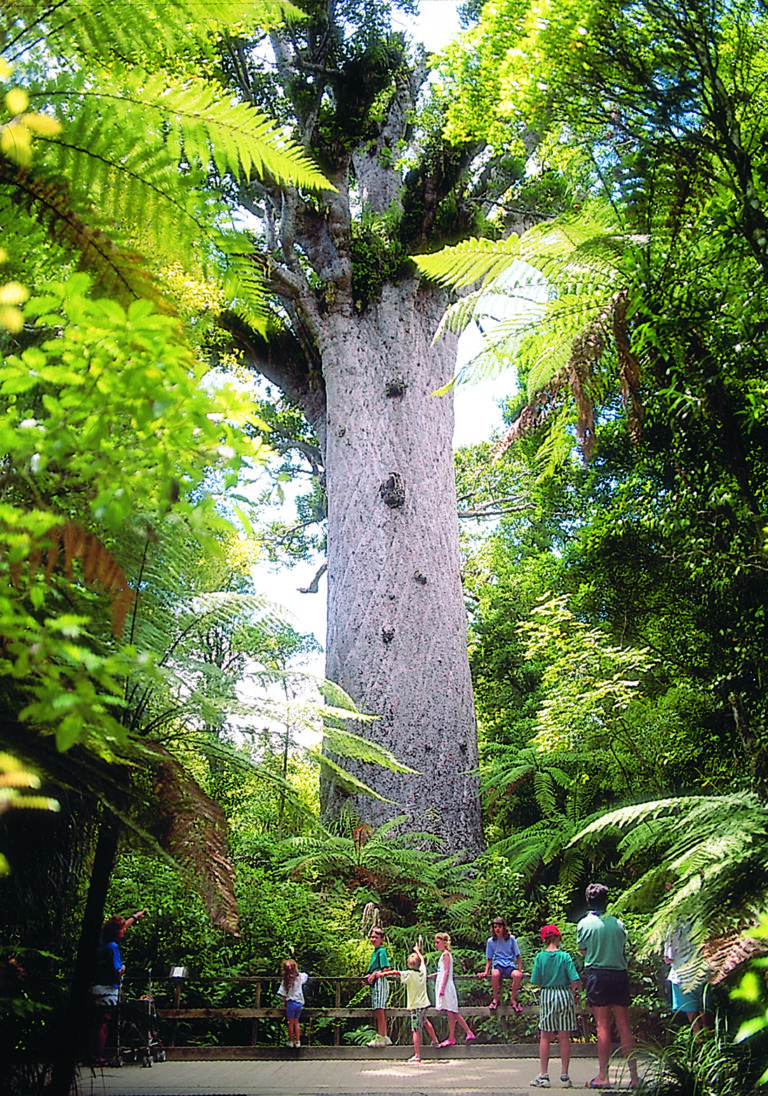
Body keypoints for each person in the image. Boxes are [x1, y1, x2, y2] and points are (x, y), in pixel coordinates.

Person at [577, 884, 639, 1089]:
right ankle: (634, 1077)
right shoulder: (618, 923)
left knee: (602, 1026)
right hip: (619, 975)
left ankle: (603, 1076)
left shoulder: (585, 924)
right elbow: (623, 949)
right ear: (607, 900)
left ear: (588, 901)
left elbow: (583, 950)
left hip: (598, 976)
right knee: (624, 1026)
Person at [88, 909, 146, 1066]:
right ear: (116, 932)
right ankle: (98, 1058)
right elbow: (115, 969)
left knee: (97, 1024)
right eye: (121, 929)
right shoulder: (112, 948)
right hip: (107, 989)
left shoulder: (102, 944)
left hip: (96, 987)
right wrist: (122, 969)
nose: (124, 931)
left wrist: (134, 917)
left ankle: (93, 1054)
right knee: (103, 1025)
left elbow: (123, 927)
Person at [529, 923, 581, 1089]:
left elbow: (536, 980)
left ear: (543, 940)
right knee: (564, 1036)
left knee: (546, 1035)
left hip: (548, 994)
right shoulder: (565, 957)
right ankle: (565, 1076)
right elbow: (574, 980)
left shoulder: (540, 957)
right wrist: (575, 994)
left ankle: (544, 1075)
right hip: (564, 994)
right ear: (558, 937)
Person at [384, 941, 440, 1062]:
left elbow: (396, 973)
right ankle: (435, 1041)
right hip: (425, 1004)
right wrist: (418, 951)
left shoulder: (409, 974)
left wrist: (382, 974)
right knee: (425, 1021)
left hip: (415, 1006)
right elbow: (423, 961)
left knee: (415, 1030)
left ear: (409, 965)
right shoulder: (423, 972)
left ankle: (417, 1055)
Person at [664, 919, 709, 1032]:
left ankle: (699, 1041)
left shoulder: (674, 926)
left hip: (681, 976)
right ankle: (711, 1039)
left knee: (692, 1013)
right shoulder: (703, 919)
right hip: (702, 972)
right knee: (704, 1009)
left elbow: (668, 958)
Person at [433, 931, 476, 1045]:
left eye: (438, 942)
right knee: (450, 1012)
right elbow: (442, 971)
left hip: (447, 986)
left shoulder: (446, 954)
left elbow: (447, 971)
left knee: (453, 1010)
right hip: (444, 984)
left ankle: (467, 1032)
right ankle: (453, 1037)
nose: (436, 945)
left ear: (444, 943)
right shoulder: (443, 955)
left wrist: (442, 987)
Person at [477, 915, 524, 1012]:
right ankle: (495, 998)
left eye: (499, 927)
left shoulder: (511, 939)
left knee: (517, 975)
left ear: (504, 928)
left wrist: (520, 969)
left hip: (509, 965)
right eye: (495, 927)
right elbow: (489, 958)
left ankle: (513, 998)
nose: (497, 929)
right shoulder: (491, 941)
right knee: (495, 974)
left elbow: (518, 955)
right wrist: (486, 971)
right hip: (498, 964)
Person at [364, 926, 392, 1047]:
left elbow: (386, 969)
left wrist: (375, 974)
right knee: (377, 1009)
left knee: (379, 1009)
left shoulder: (382, 951)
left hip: (380, 982)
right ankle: (383, 1036)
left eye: (376, 937)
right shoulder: (375, 952)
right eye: (372, 937)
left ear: (382, 939)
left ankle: (381, 1037)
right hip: (374, 983)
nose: (373, 939)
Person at [277, 958, 309, 1047]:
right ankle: (298, 1041)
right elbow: (306, 976)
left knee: (290, 1023)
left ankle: (291, 1041)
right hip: (299, 1003)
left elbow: (283, 994)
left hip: (290, 1003)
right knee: (296, 1022)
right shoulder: (299, 978)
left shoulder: (285, 981)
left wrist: (285, 1005)